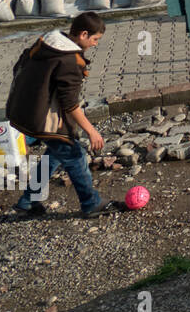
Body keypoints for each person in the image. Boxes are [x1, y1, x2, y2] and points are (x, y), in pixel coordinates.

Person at [7, 12, 122, 218]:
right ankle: (91, 203)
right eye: (95, 39)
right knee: (74, 154)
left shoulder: (48, 43)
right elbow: (70, 105)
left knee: (55, 153)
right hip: (45, 119)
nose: (96, 44)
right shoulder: (70, 61)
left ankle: (28, 201)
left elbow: (19, 67)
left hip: (24, 111)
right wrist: (92, 131)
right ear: (83, 34)